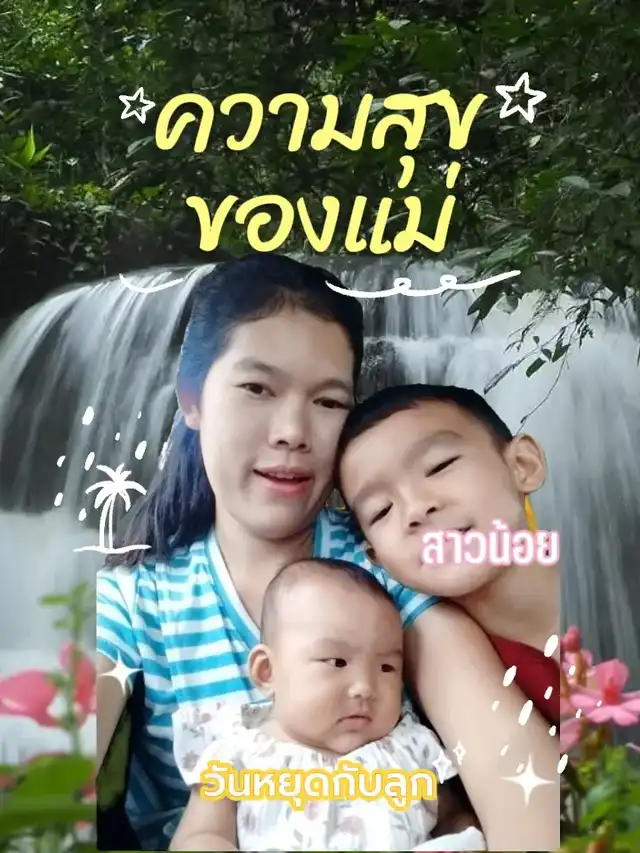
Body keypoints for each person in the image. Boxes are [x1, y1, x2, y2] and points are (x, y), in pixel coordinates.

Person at [96, 253, 560, 852]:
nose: (293, 431)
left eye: (328, 401)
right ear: (193, 400)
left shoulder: (386, 564)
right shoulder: (134, 602)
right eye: (257, 388)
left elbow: (511, 765)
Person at [170, 558, 486, 852]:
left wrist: (463, 835)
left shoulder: (410, 748)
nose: (365, 687)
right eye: (337, 662)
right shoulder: (237, 756)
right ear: (267, 671)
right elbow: (199, 837)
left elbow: (454, 819)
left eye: (386, 668)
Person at [336, 383, 560, 727]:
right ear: (378, 558)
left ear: (522, 465)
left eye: (440, 466)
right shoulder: (438, 681)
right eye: (381, 510)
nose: (415, 508)